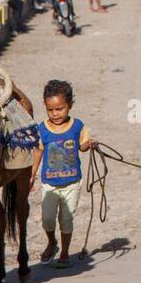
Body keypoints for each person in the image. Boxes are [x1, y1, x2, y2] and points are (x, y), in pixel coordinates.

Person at [32, 79, 95, 269]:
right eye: (50, 110)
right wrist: (31, 174)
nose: (55, 113)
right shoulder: (42, 129)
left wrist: (90, 144)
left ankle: (65, 253)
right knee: (48, 219)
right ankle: (52, 243)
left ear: (69, 106)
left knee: (66, 219)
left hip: (72, 183)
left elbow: (82, 146)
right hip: (49, 184)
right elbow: (38, 152)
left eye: (59, 109)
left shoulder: (78, 126)